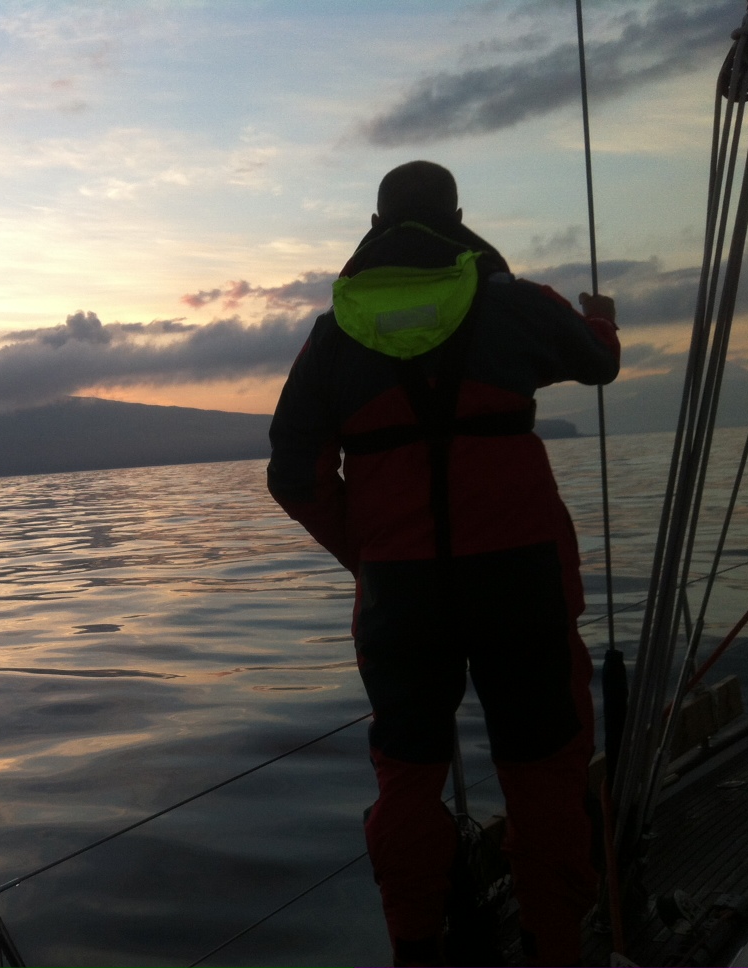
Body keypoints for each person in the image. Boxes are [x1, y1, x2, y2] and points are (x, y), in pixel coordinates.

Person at [266, 161, 619, 968]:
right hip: (521, 579)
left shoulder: (332, 336)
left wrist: (370, 553)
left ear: (376, 222)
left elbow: (293, 476)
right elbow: (596, 364)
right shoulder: (511, 304)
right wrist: (603, 322)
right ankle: (557, 948)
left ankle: (417, 953)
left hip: (402, 594)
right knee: (544, 769)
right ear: (458, 216)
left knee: (409, 778)